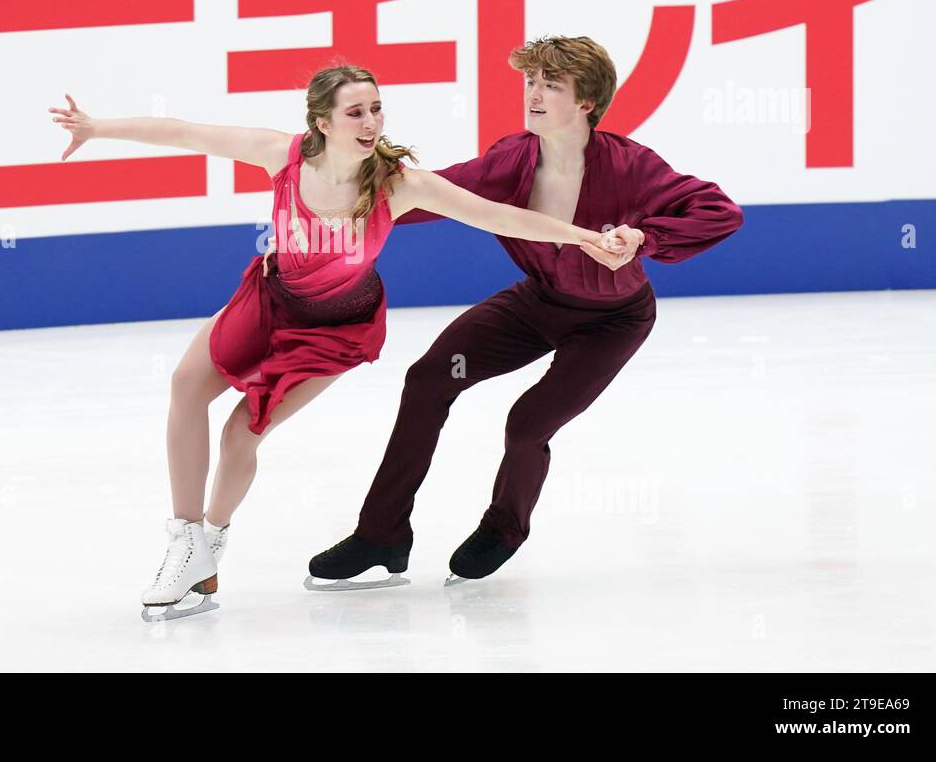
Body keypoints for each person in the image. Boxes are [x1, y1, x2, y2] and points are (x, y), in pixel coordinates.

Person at [49, 64, 627, 620]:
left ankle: (210, 545)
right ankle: (184, 538)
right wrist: (97, 127)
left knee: (240, 430)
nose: (371, 121)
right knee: (184, 385)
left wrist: (583, 239)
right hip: (269, 301)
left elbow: (500, 216)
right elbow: (186, 132)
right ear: (322, 122)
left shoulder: (399, 184)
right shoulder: (283, 157)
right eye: (356, 112)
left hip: (334, 330)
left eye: (376, 108)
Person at [308, 36, 745, 586]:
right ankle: (382, 533)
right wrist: (343, 199)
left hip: (614, 320)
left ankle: (504, 527)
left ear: (586, 102)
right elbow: (430, 193)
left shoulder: (632, 166)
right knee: (428, 380)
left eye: (551, 86)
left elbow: (719, 211)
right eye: (531, 82)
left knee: (528, 421)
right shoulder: (512, 159)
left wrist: (645, 237)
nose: (534, 94)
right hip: (538, 303)